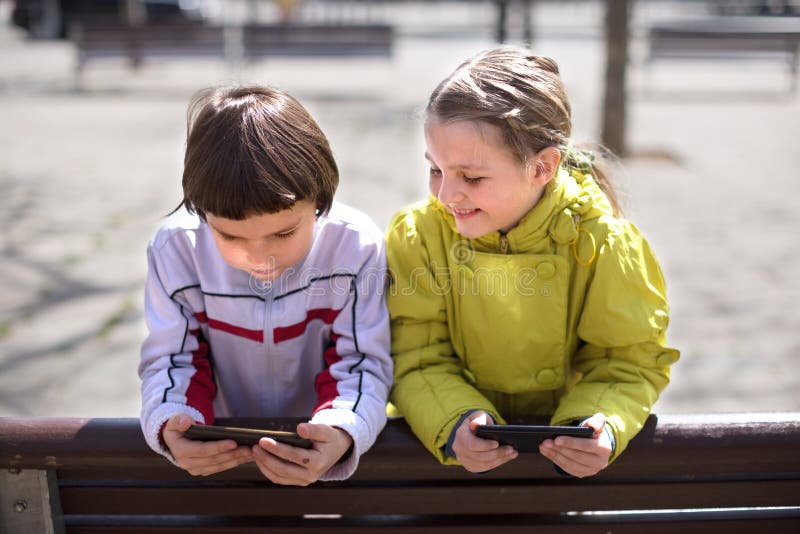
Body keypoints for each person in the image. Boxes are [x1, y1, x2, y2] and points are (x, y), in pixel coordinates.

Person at [386, 45, 679, 477]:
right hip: (443, 464)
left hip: (562, 472)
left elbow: (626, 363)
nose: (446, 195)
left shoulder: (603, 242)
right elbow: (415, 356)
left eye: (471, 177)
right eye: (436, 170)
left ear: (542, 167)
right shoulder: (419, 238)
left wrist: (597, 423)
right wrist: (454, 420)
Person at [139, 85, 393, 485]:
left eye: (283, 233)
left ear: (321, 202)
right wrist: (174, 421)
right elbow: (174, 361)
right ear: (200, 211)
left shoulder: (355, 245)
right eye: (231, 237)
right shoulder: (177, 249)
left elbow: (361, 361)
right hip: (222, 467)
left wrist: (343, 428)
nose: (259, 258)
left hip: (322, 462)